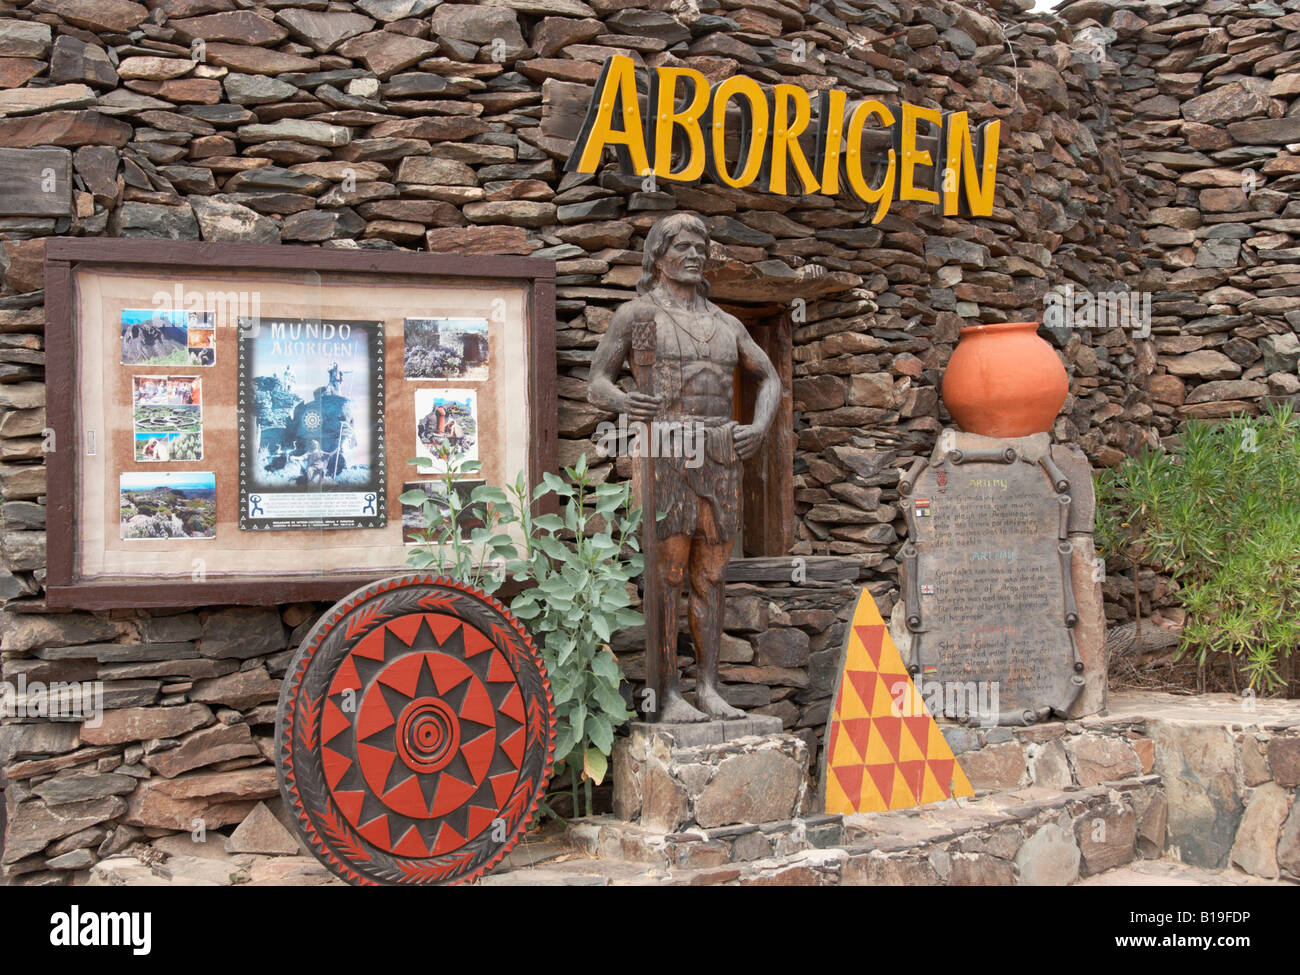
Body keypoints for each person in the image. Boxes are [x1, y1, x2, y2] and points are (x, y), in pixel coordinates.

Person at [587, 212, 780, 723]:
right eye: (682, 247)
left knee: (712, 576)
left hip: (719, 451)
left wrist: (758, 429)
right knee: (667, 573)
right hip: (666, 450)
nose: (694, 255)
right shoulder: (637, 316)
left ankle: (710, 689)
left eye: (701, 246)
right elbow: (595, 383)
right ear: (658, 256)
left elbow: (769, 378)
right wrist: (627, 402)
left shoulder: (728, 324)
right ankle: (667, 693)